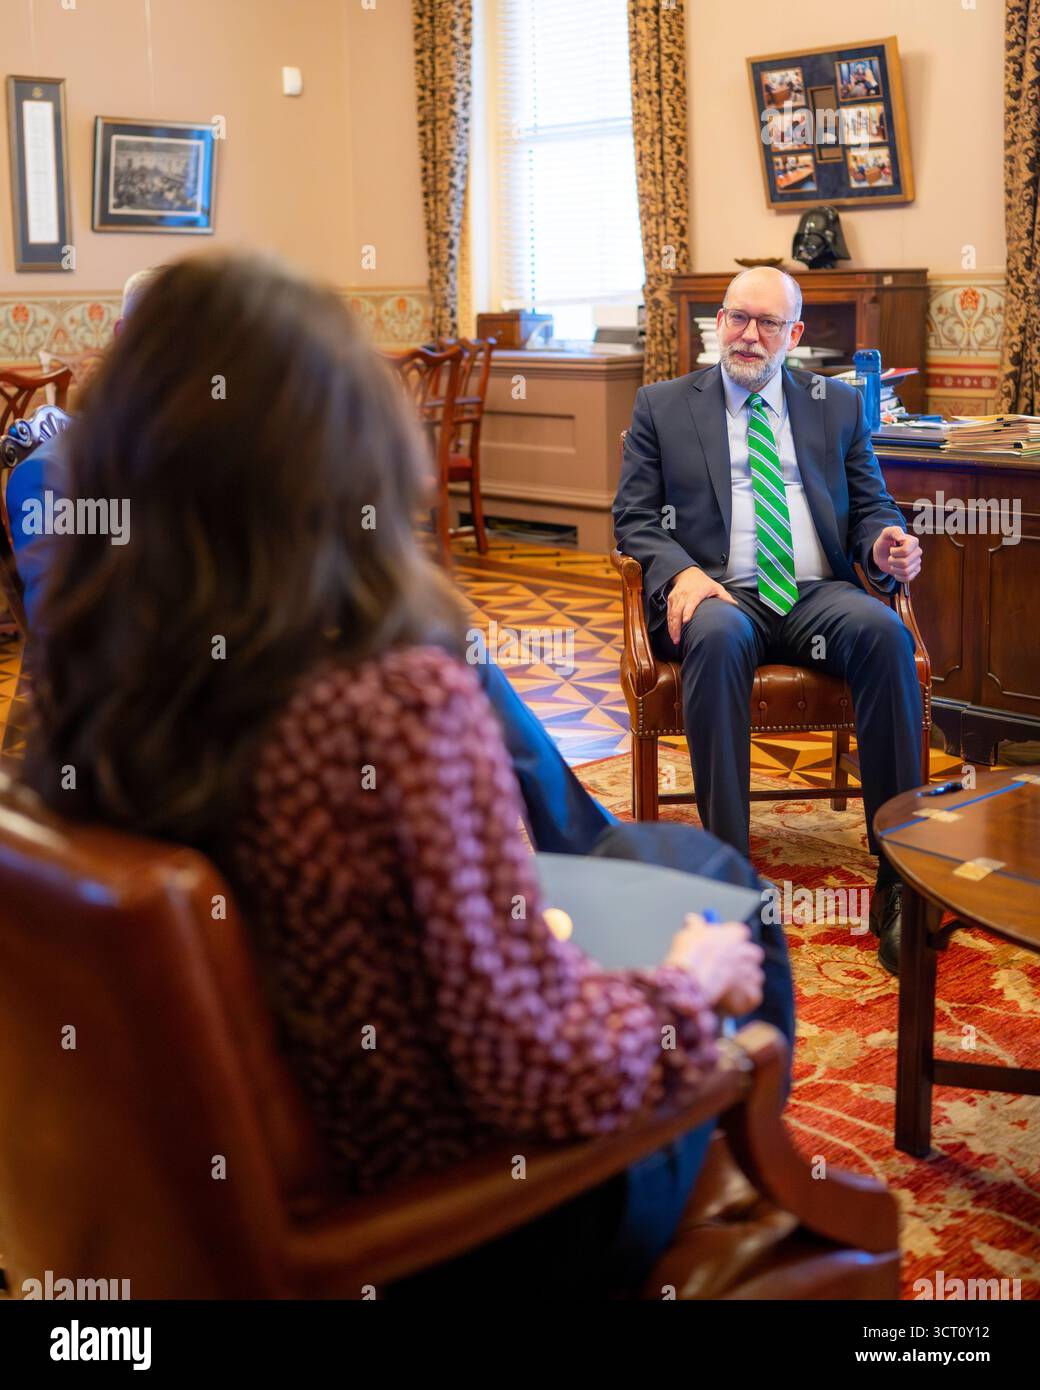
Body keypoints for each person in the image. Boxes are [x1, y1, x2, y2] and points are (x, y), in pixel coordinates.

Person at [21, 252, 786, 1297]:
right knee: (728, 904)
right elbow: (532, 1070)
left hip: (227, 1209)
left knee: (675, 858)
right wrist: (684, 988)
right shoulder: (388, 709)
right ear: (342, 454)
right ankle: (774, 1220)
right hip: (469, 1220)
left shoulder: (69, 684)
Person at [613, 266, 924, 975]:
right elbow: (634, 518)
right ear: (718, 323)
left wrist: (883, 542)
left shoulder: (834, 405)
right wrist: (683, 574)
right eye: (737, 318)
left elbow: (871, 504)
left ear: (795, 335)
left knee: (884, 635)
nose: (749, 335)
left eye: (767, 323)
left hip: (815, 591)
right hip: (719, 591)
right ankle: (727, 876)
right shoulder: (663, 405)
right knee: (715, 638)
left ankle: (901, 877)